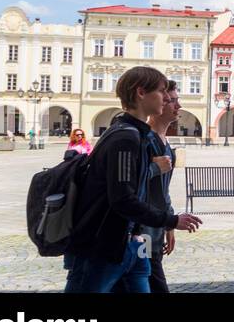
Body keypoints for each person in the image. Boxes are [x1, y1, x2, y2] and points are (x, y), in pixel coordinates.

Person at [63, 66, 202, 293]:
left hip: (132, 242)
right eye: (161, 92)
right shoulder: (126, 137)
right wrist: (171, 220)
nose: (167, 98)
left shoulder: (135, 134)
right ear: (140, 93)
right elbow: (123, 200)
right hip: (105, 245)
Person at [138, 81, 181, 293]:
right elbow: (131, 185)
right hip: (141, 232)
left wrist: (169, 224)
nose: (178, 106)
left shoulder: (166, 143)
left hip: (156, 229)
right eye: (172, 101)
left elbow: (163, 191)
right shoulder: (145, 140)